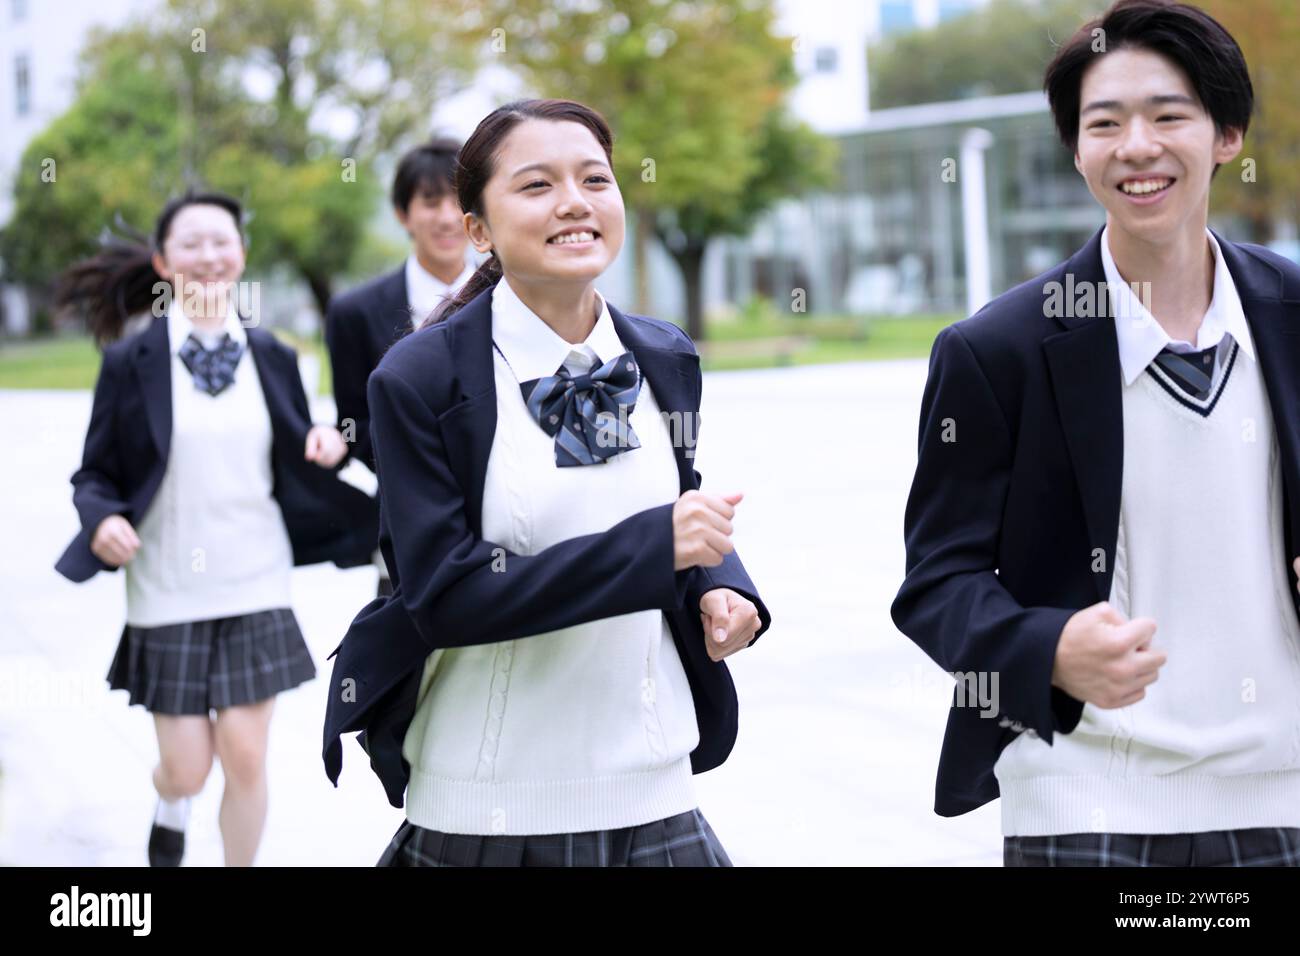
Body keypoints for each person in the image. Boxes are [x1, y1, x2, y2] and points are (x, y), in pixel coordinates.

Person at [892, 0, 1300, 867]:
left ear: (1227, 135)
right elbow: (936, 584)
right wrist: (1047, 648)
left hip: (1284, 785)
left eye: (1168, 115)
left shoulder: (1292, 319)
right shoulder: (998, 349)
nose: (1136, 147)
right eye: (1104, 123)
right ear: (1077, 150)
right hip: (1084, 798)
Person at [321, 99, 773, 866]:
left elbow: (677, 514)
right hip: (492, 804)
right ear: (478, 230)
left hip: (655, 782)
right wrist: (653, 549)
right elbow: (445, 595)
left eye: (594, 178)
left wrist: (719, 586)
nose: (574, 201)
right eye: (536, 186)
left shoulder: (663, 353)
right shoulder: (419, 378)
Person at [54, 189, 378, 866]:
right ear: (163, 262)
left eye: (221, 241)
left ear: (241, 254)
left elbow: (299, 441)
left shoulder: (276, 357)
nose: (208, 255)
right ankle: (171, 801)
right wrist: (102, 518)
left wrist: (327, 441)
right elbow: (94, 475)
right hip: (166, 585)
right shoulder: (130, 363)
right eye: (191, 244)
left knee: (247, 756)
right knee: (188, 769)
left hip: (254, 576)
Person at [324, 138, 472, 596]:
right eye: (430, 202)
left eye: (459, 200)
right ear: (402, 213)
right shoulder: (354, 312)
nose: (447, 217)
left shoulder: (517, 297)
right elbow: (352, 422)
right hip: (406, 533)